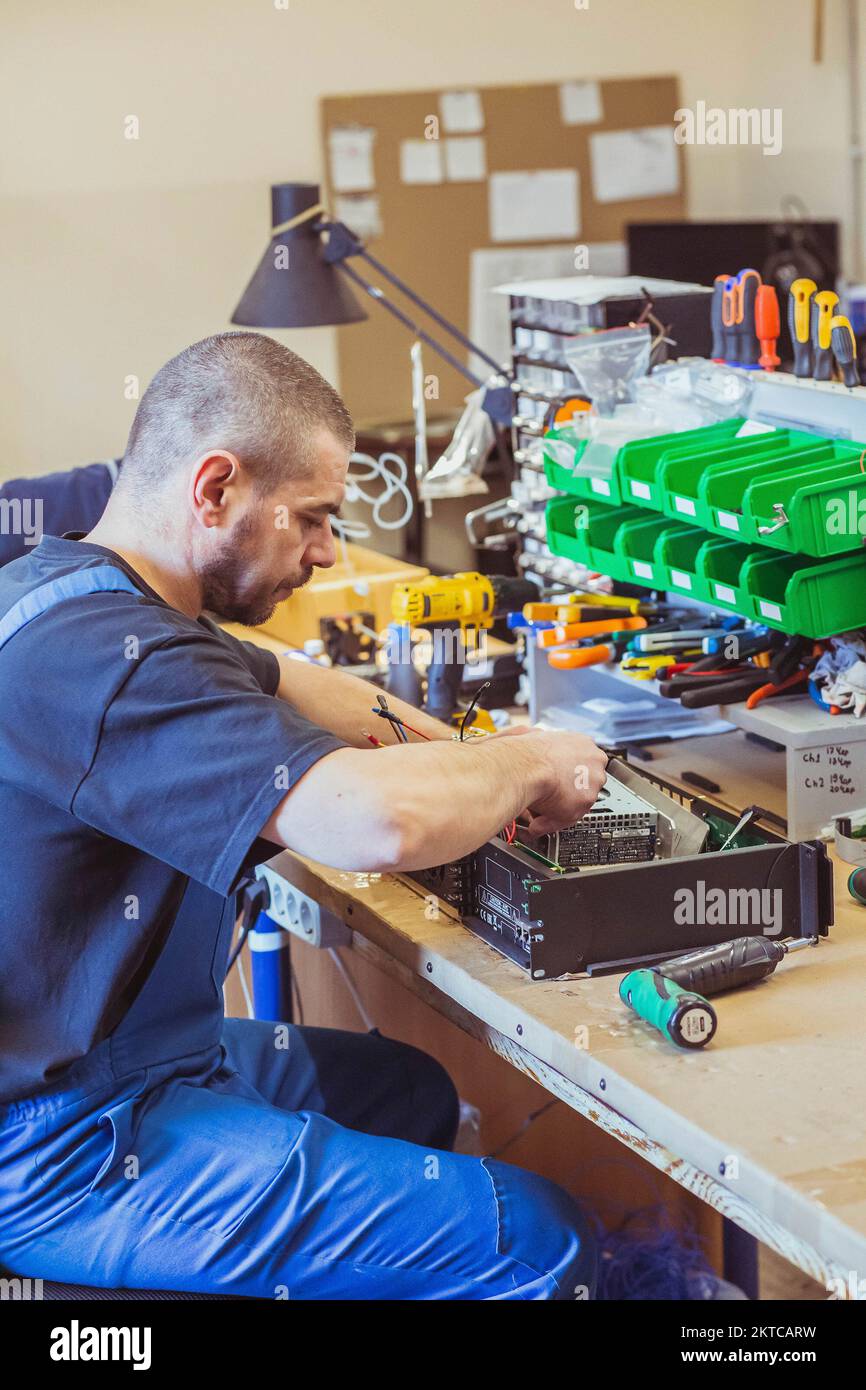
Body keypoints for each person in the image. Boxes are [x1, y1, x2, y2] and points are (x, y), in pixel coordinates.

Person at [0, 332, 607, 1300]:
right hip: (62, 1140)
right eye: (314, 519)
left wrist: (468, 765)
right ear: (215, 489)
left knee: (404, 1090)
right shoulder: (113, 667)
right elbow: (376, 826)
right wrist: (527, 758)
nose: (327, 553)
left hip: (133, 1056)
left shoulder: (92, 594)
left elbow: (307, 684)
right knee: (538, 1240)